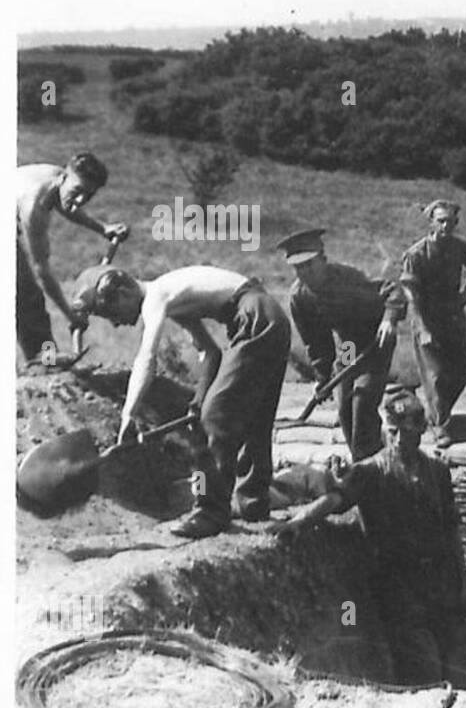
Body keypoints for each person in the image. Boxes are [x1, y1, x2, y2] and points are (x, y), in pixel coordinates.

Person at [267, 385, 466, 686]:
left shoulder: (436, 472)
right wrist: (297, 521)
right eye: (393, 432)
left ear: (421, 431)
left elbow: (450, 530)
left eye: (407, 432)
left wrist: (463, 584)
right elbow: (335, 500)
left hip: (438, 579)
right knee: (421, 658)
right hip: (397, 584)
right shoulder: (371, 471)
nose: (399, 440)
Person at [70, 264, 290, 538]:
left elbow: (146, 359)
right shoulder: (174, 297)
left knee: (215, 418)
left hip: (254, 316)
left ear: (125, 292)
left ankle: (211, 511)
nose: (115, 323)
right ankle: (253, 503)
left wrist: (129, 413)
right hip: (268, 317)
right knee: (255, 418)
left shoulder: (156, 297)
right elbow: (210, 352)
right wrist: (199, 398)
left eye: (111, 313)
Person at [282, 228, 407, 459]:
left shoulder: (347, 278)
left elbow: (392, 290)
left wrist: (389, 319)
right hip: (348, 347)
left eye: (309, 264)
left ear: (323, 260)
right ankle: (365, 457)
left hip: (375, 341)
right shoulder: (299, 297)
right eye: (298, 268)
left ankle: (370, 462)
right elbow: (316, 342)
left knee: (363, 399)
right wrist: (322, 378)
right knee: (344, 406)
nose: (305, 272)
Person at [16, 153, 130, 364]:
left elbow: (66, 204)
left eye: (88, 195)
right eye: (78, 191)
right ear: (64, 177)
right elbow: (42, 271)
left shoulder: (57, 179)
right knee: (28, 295)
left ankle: (44, 359)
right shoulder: (34, 207)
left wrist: (103, 228)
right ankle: (45, 361)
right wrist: (70, 314)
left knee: (24, 293)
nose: (81, 200)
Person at [401, 199, 466, 448]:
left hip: (453, 316)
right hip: (427, 316)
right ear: (432, 223)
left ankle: (434, 412)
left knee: (461, 371)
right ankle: (439, 425)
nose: (446, 226)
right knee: (435, 375)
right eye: (441, 221)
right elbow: (410, 292)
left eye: (450, 221)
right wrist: (422, 327)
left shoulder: (460, 248)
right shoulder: (416, 254)